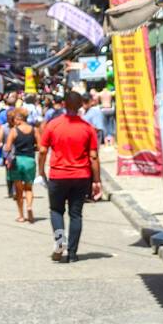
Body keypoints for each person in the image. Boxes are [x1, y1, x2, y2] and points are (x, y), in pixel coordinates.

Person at [38, 91, 102, 263]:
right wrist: (97, 181)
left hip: (58, 176)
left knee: (56, 210)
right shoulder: (88, 128)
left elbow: (43, 150)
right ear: (81, 105)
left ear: (64, 104)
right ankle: (72, 254)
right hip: (81, 176)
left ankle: (60, 242)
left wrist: (41, 170)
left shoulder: (53, 125)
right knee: (76, 214)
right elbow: (94, 156)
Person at [3, 108, 39, 223]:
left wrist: (5, 149)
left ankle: (21, 216)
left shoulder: (14, 131)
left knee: (19, 191)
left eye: (14, 120)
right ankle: (29, 207)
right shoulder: (34, 130)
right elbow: (40, 146)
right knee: (29, 188)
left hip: (17, 161)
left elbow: (7, 147)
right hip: (30, 161)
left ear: (18, 119)